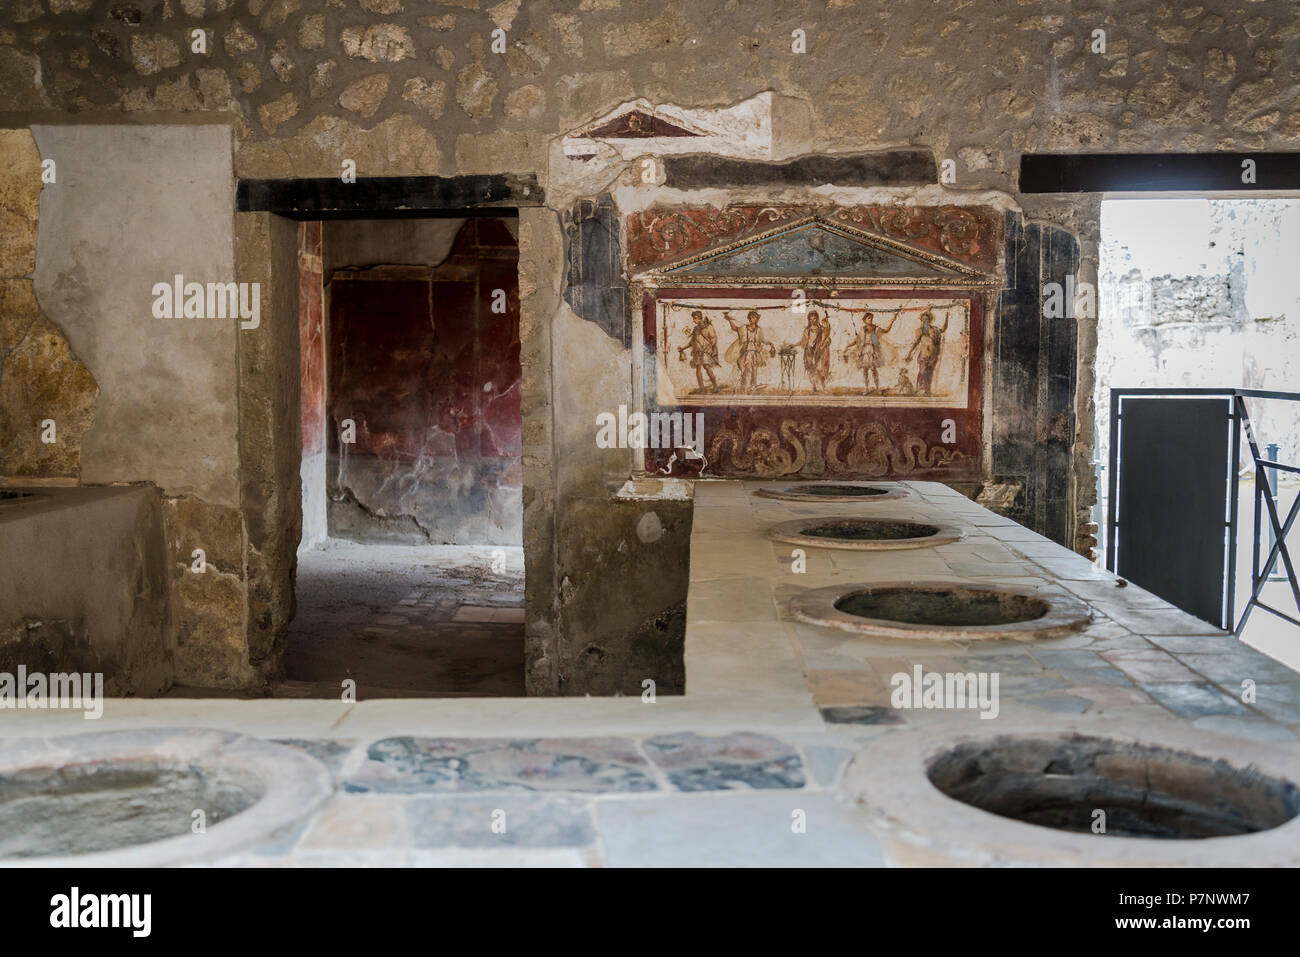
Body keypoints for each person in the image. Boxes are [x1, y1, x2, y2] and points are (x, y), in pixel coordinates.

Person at [841, 310, 897, 392]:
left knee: (874, 369)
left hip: (873, 351)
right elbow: (857, 340)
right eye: (868, 318)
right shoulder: (862, 329)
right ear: (864, 320)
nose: (870, 320)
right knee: (865, 370)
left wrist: (893, 320)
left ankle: (877, 388)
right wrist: (848, 345)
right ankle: (866, 388)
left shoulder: (876, 329)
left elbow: (886, 331)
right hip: (864, 351)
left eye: (871, 318)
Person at [724, 309, 776, 393]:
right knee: (747, 368)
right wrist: (729, 320)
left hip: (755, 352)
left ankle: (753, 386)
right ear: (749, 318)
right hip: (746, 351)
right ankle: (743, 385)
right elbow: (735, 328)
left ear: (757, 319)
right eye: (751, 317)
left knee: (754, 369)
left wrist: (770, 343)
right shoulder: (744, 327)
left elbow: (762, 339)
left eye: (754, 317)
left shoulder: (759, 329)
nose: (752, 319)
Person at [905, 309, 949, 396]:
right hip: (924, 354)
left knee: (929, 373)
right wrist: (909, 353)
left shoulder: (935, 329)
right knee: (922, 372)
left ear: (930, 320)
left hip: (932, 355)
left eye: (927, 319)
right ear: (921, 320)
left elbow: (943, 329)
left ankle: (927, 391)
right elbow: (915, 343)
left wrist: (947, 318)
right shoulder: (920, 330)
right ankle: (918, 389)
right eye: (923, 320)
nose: (925, 321)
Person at [677, 309, 720, 393]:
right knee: (698, 369)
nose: (694, 320)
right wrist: (683, 348)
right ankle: (702, 388)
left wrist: (708, 348)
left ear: (700, 318)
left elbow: (714, 340)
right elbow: (692, 342)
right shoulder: (696, 329)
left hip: (705, 352)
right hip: (697, 352)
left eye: (695, 318)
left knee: (707, 367)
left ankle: (715, 386)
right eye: (693, 318)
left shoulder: (709, 327)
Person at [797, 310, 832, 392]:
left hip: (819, 352)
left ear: (817, 319)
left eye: (814, 319)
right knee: (811, 370)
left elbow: (827, 339)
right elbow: (803, 341)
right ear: (808, 320)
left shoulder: (822, 329)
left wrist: (825, 343)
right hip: (809, 351)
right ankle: (814, 387)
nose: (813, 321)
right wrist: (794, 345)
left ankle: (823, 387)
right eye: (811, 319)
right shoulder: (807, 330)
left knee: (820, 369)